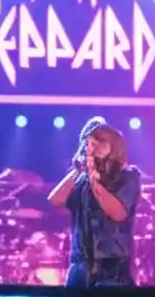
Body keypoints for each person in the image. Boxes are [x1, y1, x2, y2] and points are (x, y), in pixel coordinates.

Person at [47, 117, 142, 288]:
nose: (91, 148)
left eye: (98, 143)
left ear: (113, 147)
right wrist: (79, 170)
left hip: (112, 269)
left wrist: (95, 182)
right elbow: (55, 200)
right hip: (80, 267)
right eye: (88, 143)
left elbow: (118, 214)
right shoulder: (81, 178)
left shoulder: (128, 176)